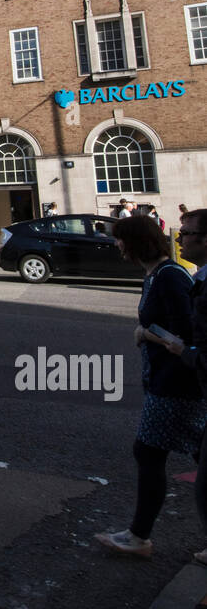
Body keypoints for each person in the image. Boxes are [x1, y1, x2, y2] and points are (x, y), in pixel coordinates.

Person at [94, 215, 205, 558]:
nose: (117, 245)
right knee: (195, 451)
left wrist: (145, 334)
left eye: (120, 238)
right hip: (168, 378)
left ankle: (139, 537)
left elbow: (185, 333)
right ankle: (138, 535)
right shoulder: (155, 275)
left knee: (149, 452)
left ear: (136, 241)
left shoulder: (169, 276)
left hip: (175, 382)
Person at [150, 209, 207, 577]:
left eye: (186, 233)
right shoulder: (195, 277)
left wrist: (184, 352)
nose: (179, 237)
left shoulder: (180, 278)